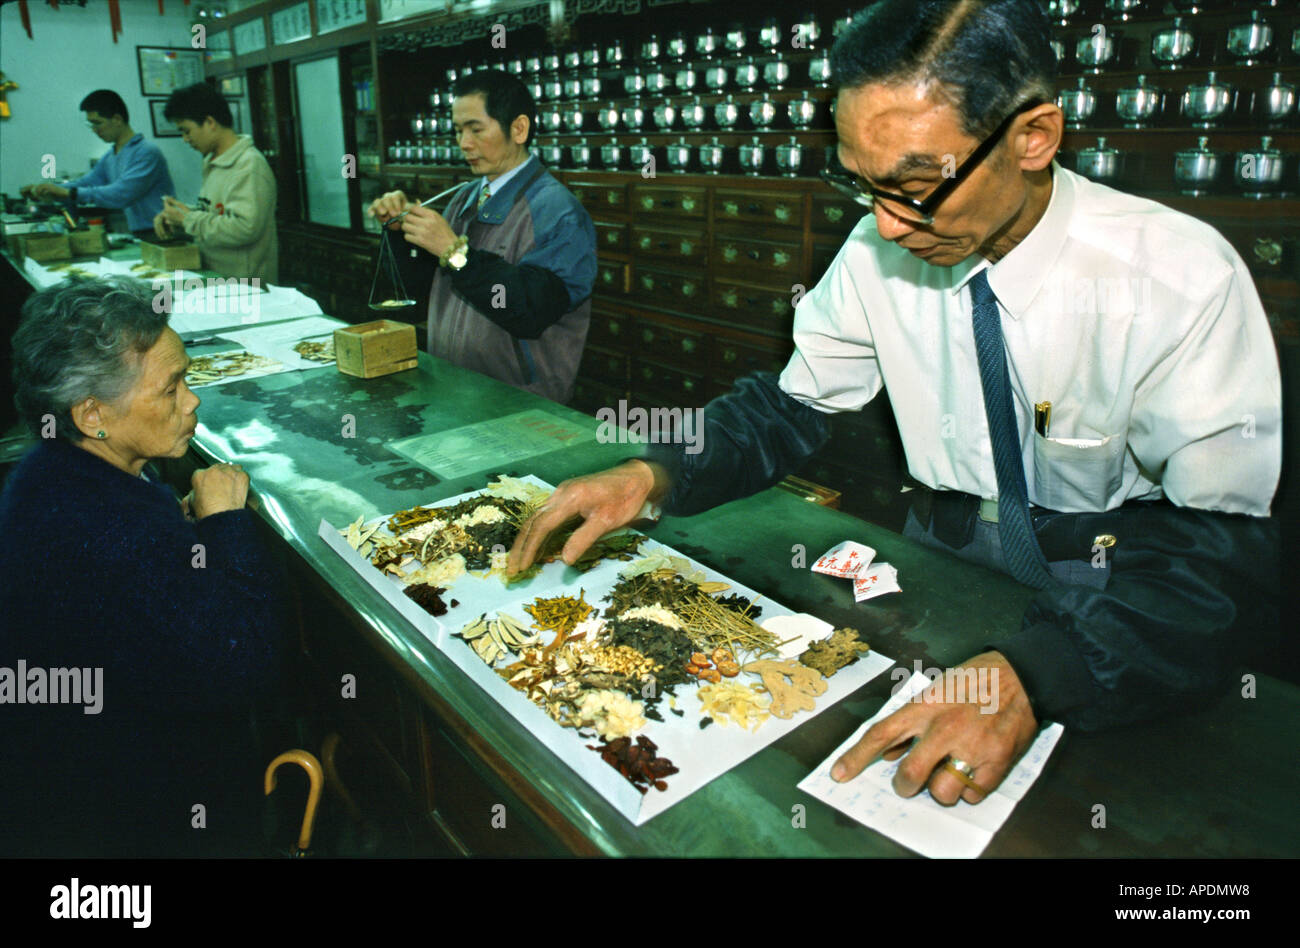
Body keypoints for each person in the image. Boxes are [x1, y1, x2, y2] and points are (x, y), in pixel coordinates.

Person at [508, 0, 1281, 807]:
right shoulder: (877, 251)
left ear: (1033, 138)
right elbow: (788, 408)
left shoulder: (1180, 277)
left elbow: (1221, 546)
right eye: (863, 184)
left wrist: (1042, 669)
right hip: (938, 567)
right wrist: (656, 472)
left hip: (1119, 592)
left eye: (918, 185)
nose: (889, 223)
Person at [0, 277, 286, 856]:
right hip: (141, 816)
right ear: (92, 414)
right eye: (173, 387)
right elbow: (249, 667)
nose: (193, 400)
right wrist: (226, 524)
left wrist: (178, 537)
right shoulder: (112, 531)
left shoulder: (50, 472)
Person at [367, 70, 596, 404]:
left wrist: (453, 251)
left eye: (476, 129)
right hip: (454, 387)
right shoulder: (464, 197)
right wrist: (399, 235)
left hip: (519, 401)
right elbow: (419, 292)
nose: (464, 144)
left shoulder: (557, 211)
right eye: (459, 131)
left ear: (518, 129)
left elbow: (531, 311)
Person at [155, 81, 278, 283]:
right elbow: (216, 213)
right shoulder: (212, 161)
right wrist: (178, 216)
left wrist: (187, 220)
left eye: (186, 131)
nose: (185, 139)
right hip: (215, 278)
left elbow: (244, 229)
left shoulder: (249, 165)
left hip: (245, 287)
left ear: (210, 123)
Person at [20, 89, 175, 238]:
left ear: (117, 119)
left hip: (164, 231)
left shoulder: (146, 152)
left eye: (97, 123)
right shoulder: (111, 156)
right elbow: (87, 182)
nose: (94, 130)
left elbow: (121, 194)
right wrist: (46, 189)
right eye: (91, 125)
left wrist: (67, 193)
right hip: (141, 232)